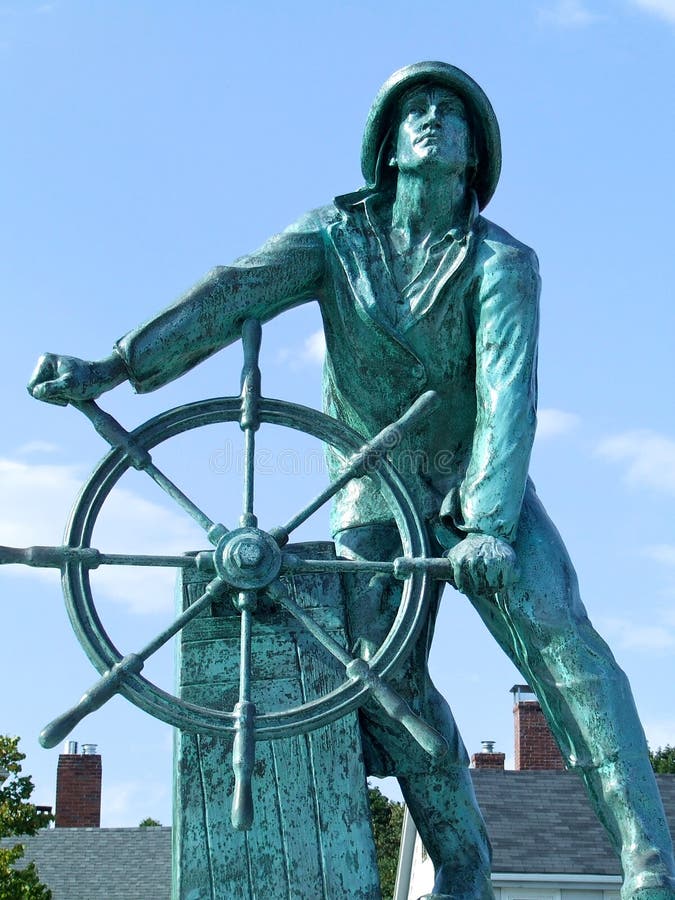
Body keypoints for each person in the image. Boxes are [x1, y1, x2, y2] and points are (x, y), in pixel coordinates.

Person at [28, 62, 675, 900]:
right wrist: (114, 366)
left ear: (475, 154)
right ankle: (463, 862)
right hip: (374, 495)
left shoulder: (502, 263)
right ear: (387, 147)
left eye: (453, 112)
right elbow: (233, 292)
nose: (434, 119)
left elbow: (509, 394)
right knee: (380, 676)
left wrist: (486, 521)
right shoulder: (334, 239)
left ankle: (647, 865)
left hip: (475, 482)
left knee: (566, 646)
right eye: (416, 110)